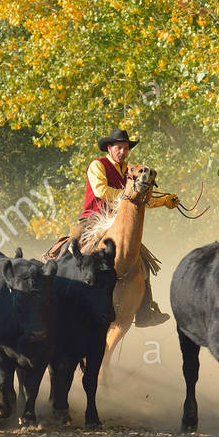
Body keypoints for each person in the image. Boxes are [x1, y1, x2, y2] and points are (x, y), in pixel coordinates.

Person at [82, 127, 177, 327]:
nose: (123, 152)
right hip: (93, 221)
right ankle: (56, 282)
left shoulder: (129, 171)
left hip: (120, 223)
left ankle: (146, 309)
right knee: (72, 248)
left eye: (125, 148)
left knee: (142, 261)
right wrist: (128, 195)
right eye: (119, 148)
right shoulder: (97, 166)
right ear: (109, 148)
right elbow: (101, 191)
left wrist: (164, 201)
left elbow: (139, 198)